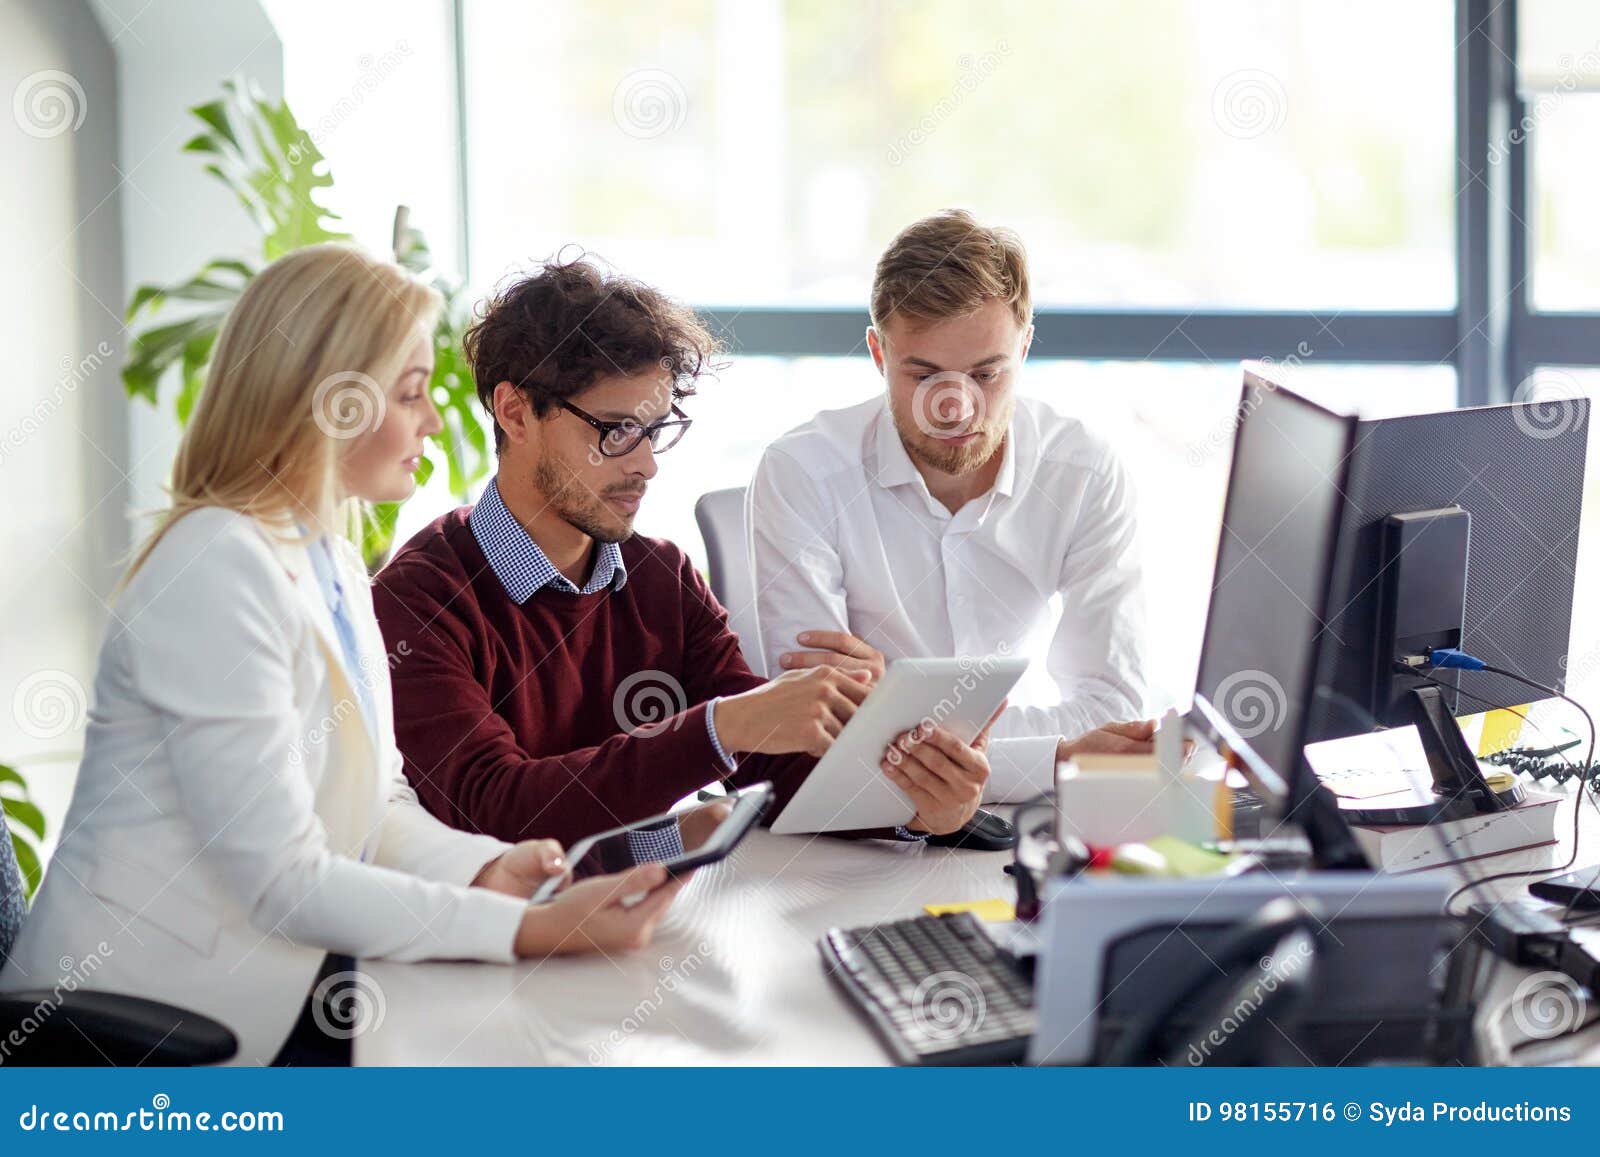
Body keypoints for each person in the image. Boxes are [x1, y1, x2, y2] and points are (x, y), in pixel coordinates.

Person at [0, 244, 681, 1067]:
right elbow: (282, 880)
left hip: (279, 988)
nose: (433, 419)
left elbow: (374, 807)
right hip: (142, 1031)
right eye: (411, 393)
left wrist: (490, 869)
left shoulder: (330, 555)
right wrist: (529, 925)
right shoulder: (212, 563)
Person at [373, 254, 995, 848]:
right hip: (494, 947)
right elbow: (495, 807)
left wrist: (914, 805)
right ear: (515, 412)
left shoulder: (660, 578)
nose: (646, 465)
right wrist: (719, 727)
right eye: (616, 431)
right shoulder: (417, 601)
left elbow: (769, 773)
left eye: (656, 431)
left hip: (644, 921)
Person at [749, 209, 1155, 803]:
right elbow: (821, 733)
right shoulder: (803, 472)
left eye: (986, 374)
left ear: (1026, 347)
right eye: (924, 375)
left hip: (1013, 829)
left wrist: (894, 708)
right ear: (879, 355)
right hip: (856, 837)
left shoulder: (1084, 474)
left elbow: (1113, 711)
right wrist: (1057, 759)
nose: (956, 409)